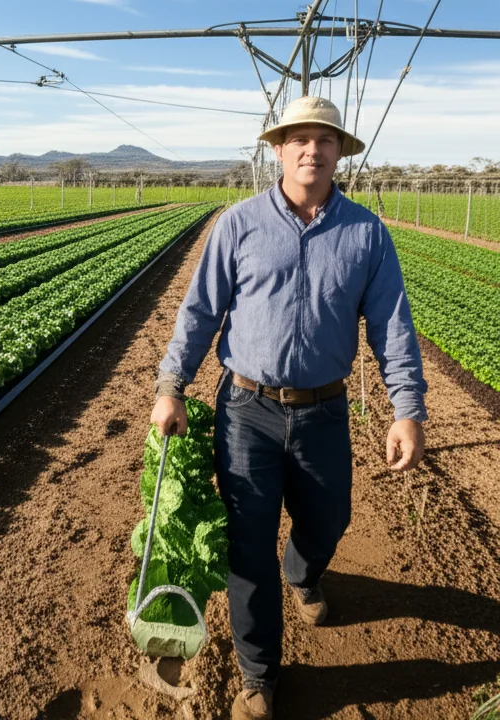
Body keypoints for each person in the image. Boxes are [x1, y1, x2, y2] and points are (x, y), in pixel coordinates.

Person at [151, 95, 426, 720]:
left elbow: (392, 328)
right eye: (298, 139)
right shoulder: (238, 224)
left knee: (328, 519)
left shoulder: (366, 234)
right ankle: (259, 675)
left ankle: (302, 573)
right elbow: (198, 313)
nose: (311, 149)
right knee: (248, 546)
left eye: (323, 140)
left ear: (338, 153)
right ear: (278, 150)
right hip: (247, 406)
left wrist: (407, 410)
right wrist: (172, 386)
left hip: (324, 411)